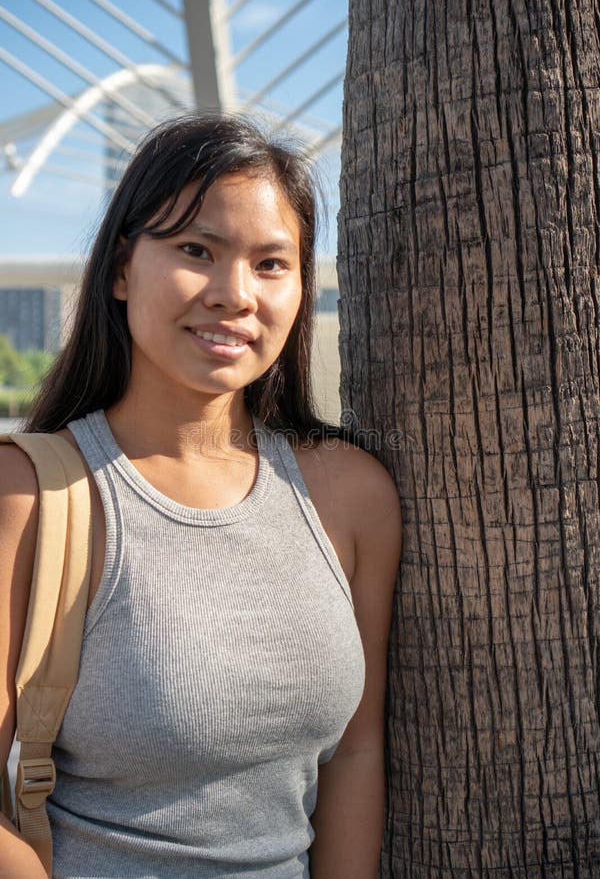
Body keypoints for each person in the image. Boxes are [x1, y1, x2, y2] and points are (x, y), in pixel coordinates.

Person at [0, 114, 402, 878]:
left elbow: (356, 751)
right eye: (196, 250)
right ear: (121, 270)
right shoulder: (30, 494)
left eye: (272, 264)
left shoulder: (352, 497)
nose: (234, 294)